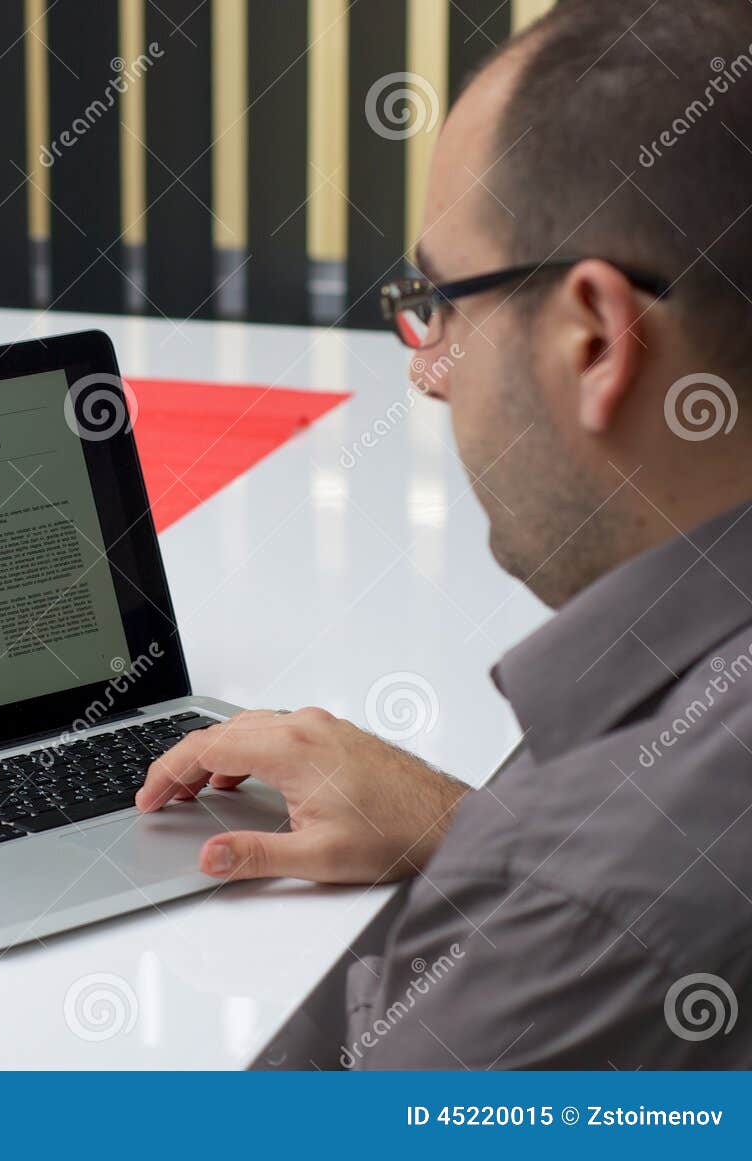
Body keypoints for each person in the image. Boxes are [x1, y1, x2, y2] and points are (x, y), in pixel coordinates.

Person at [138, 0, 752, 1068]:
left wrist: (524, 879)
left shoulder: (571, 924)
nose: (425, 372)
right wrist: (465, 830)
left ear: (596, 337)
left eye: (446, 305)